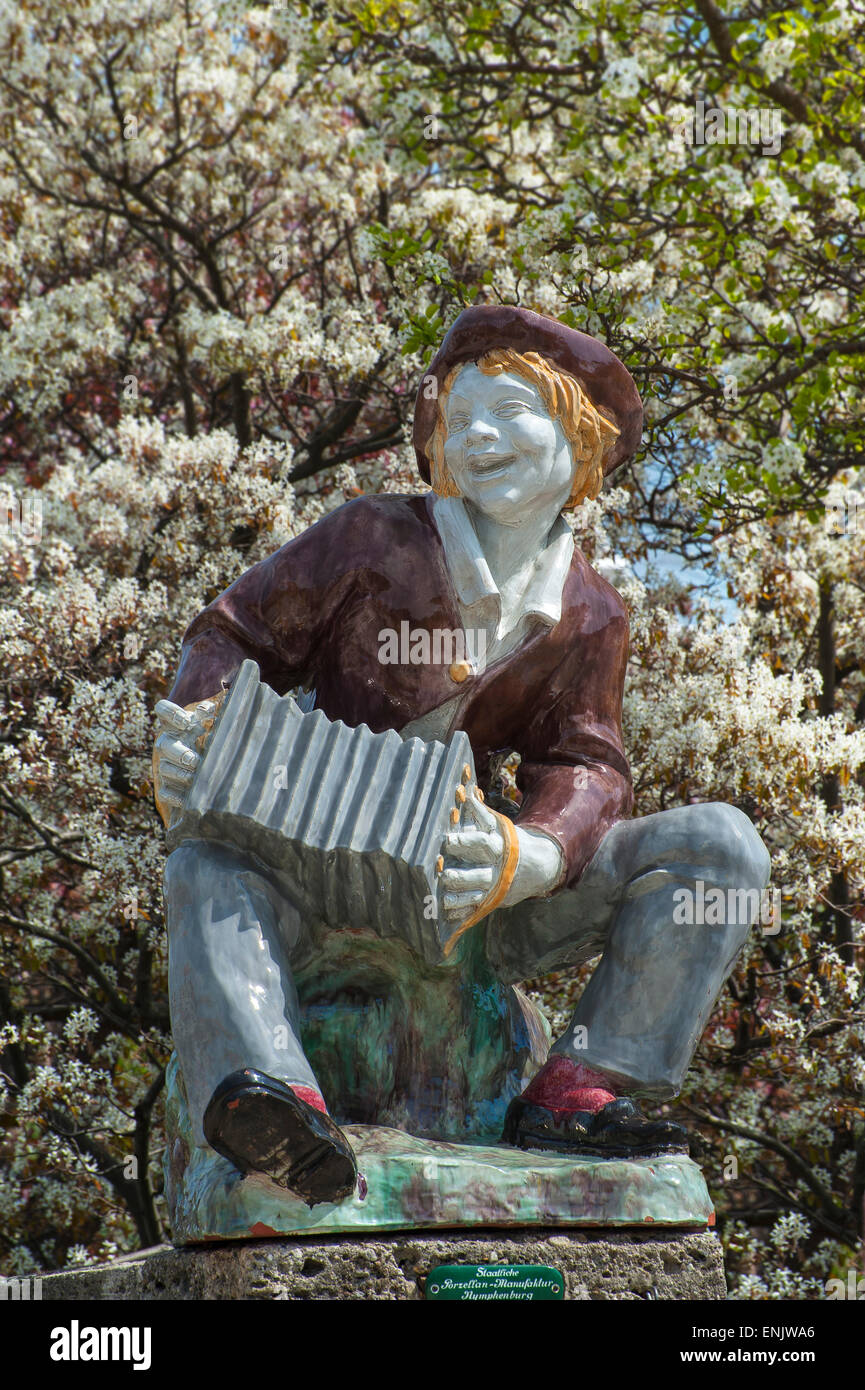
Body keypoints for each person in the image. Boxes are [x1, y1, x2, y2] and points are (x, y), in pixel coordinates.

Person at [154, 305, 770, 1207]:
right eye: (459, 415)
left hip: (467, 891)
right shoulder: (372, 538)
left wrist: (531, 856)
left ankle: (577, 1092)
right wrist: (190, 731)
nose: (477, 435)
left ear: (580, 434)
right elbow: (234, 631)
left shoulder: (589, 612)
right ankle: (277, 1108)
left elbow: (585, 761)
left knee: (720, 850)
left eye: (509, 410)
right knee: (206, 866)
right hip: (312, 868)